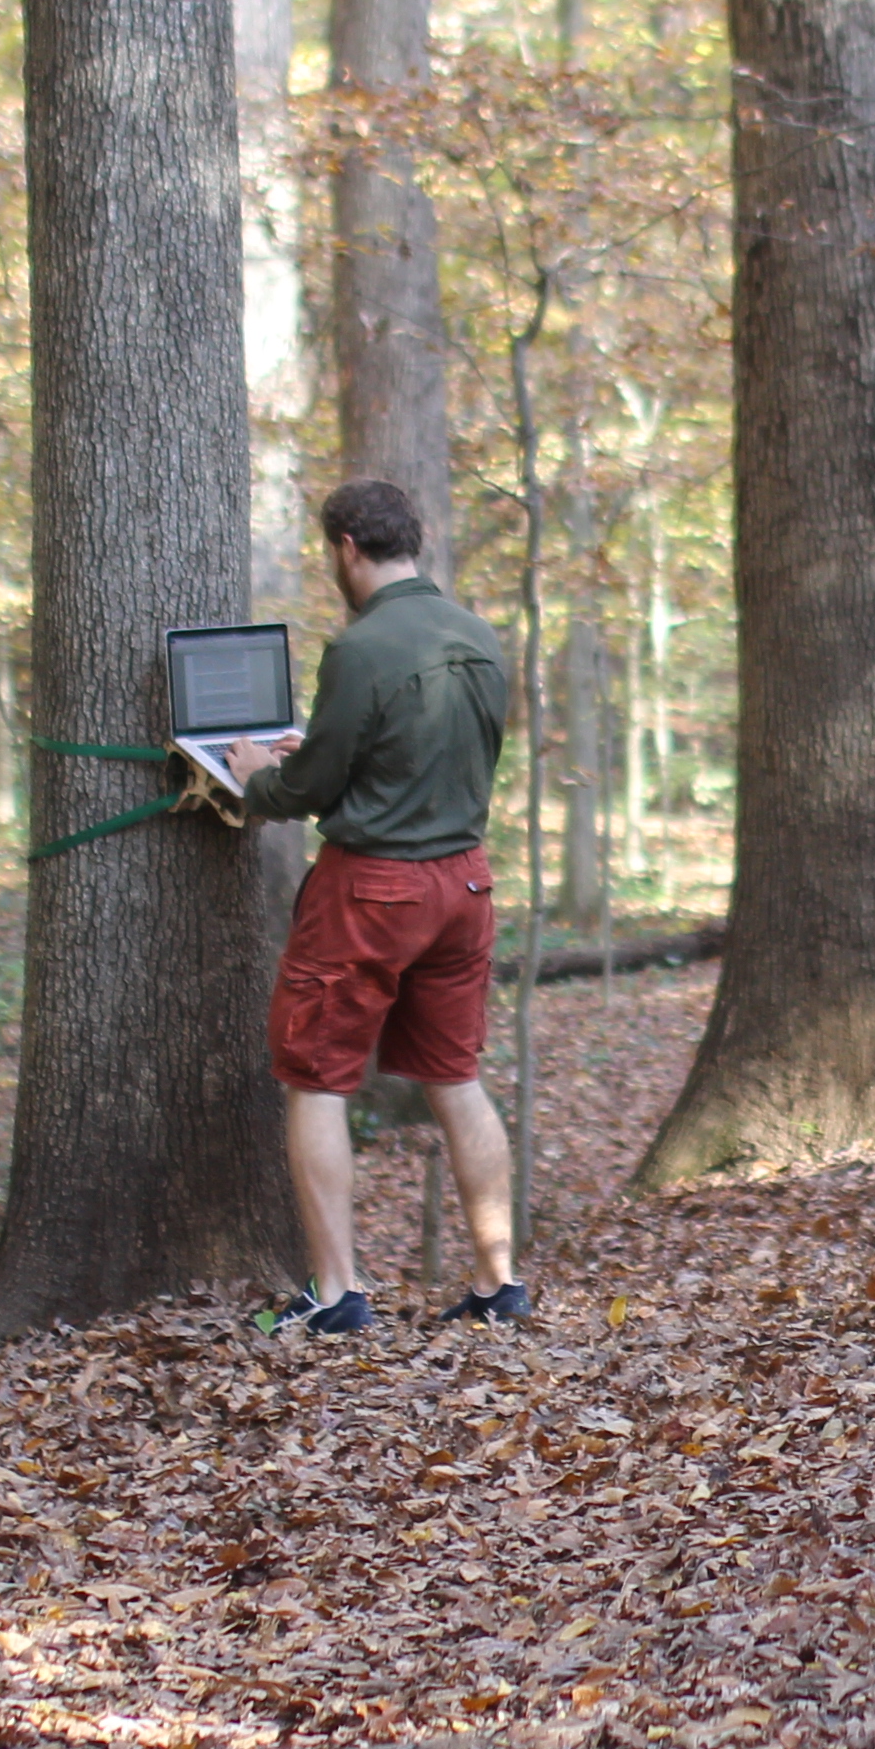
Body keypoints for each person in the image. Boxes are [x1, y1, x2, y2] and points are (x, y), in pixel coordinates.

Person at [221, 477, 527, 1332]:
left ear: (347, 548)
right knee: (456, 1077)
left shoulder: (360, 648)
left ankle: (335, 1293)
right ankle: (498, 1284)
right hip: (464, 882)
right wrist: (317, 749)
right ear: (413, 541)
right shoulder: (478, 636)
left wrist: (257, 778)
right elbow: (425, 754)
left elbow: (314, 787)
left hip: (373, 889)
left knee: (316, 1078)